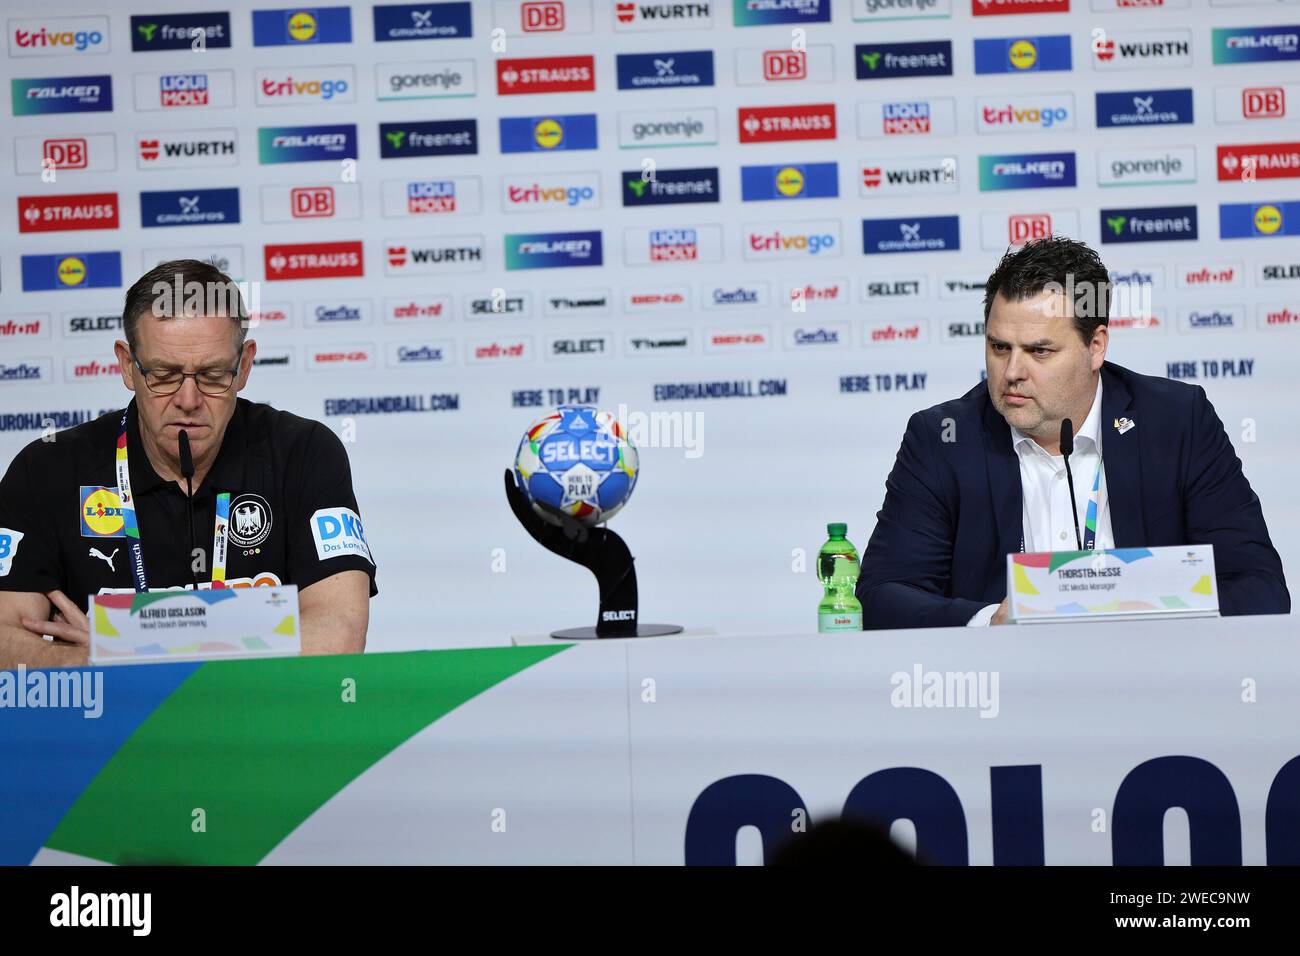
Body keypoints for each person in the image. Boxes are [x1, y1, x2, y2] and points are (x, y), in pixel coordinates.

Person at [856, 237, 1289, 628]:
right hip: (1002, 691)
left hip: (1151, 685)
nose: (1012, 373)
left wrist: (1136, 609)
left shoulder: (1177, 421)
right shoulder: (943, 438)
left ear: (1096, 346)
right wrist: (990, 622)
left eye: (1039, 351)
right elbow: (883, 595)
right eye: (999, 347)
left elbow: (1259, 588)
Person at [0, 259, 377, 667]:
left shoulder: (304, 452)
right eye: (163, 374)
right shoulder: (46, 469)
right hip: (108, 729)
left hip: (260, 727)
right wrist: (253, 635)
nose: (188, 400)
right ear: (128, 366)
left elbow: (338, 636)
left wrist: (121, 649)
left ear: (244, 366)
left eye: (214, 374)